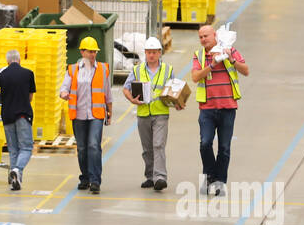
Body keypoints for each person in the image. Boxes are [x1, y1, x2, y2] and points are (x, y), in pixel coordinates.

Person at [191, 24, 249, 197]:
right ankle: (210, 175)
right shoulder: (199, 55)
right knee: (205, 143)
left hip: (227, 108)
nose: (203, 40)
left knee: (224, 147)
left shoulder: (230, 50)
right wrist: (212, 65)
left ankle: (219, 182)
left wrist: (230, 59)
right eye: (200, 37)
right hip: (207, 109)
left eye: (206, 36)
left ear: (215, 35)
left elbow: (246, 70)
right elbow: (195, 77)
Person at [123, 36, 182, 191]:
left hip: (161, 113)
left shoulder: (168, 70)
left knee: (158, 145)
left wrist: (177, 103)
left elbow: (174, 90)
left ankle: (160, 177)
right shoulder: (137, 70)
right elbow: (125, 88)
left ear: (159, 53)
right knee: (147, 148)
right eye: (149, 52)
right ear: (145, 53)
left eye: (154, 52)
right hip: (143, 114)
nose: (151, 55)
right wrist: (132, 100)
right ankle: (150, 176)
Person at [59, 35, 112, 194]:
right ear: (82, 52)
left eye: (95, 52)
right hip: (79, 115)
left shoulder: (102, 69)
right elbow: (64, 87)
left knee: (94, 146)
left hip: (96, 114)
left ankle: (95, 181)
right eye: (89, 51)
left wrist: (109, 111)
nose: (92, 54)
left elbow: (107, 93)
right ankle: (85, 178)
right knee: (82, 148)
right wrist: (63, 94)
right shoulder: (73, 69)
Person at [0, 49, 36, 191]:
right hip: (23, 115)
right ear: (19, 60)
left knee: (13, 149)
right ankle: (17, 170)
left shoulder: (1, 73)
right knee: (26, 147)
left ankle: (15, 180)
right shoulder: (28, 73)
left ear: (7, 61)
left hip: (7, 116)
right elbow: (30, 98)